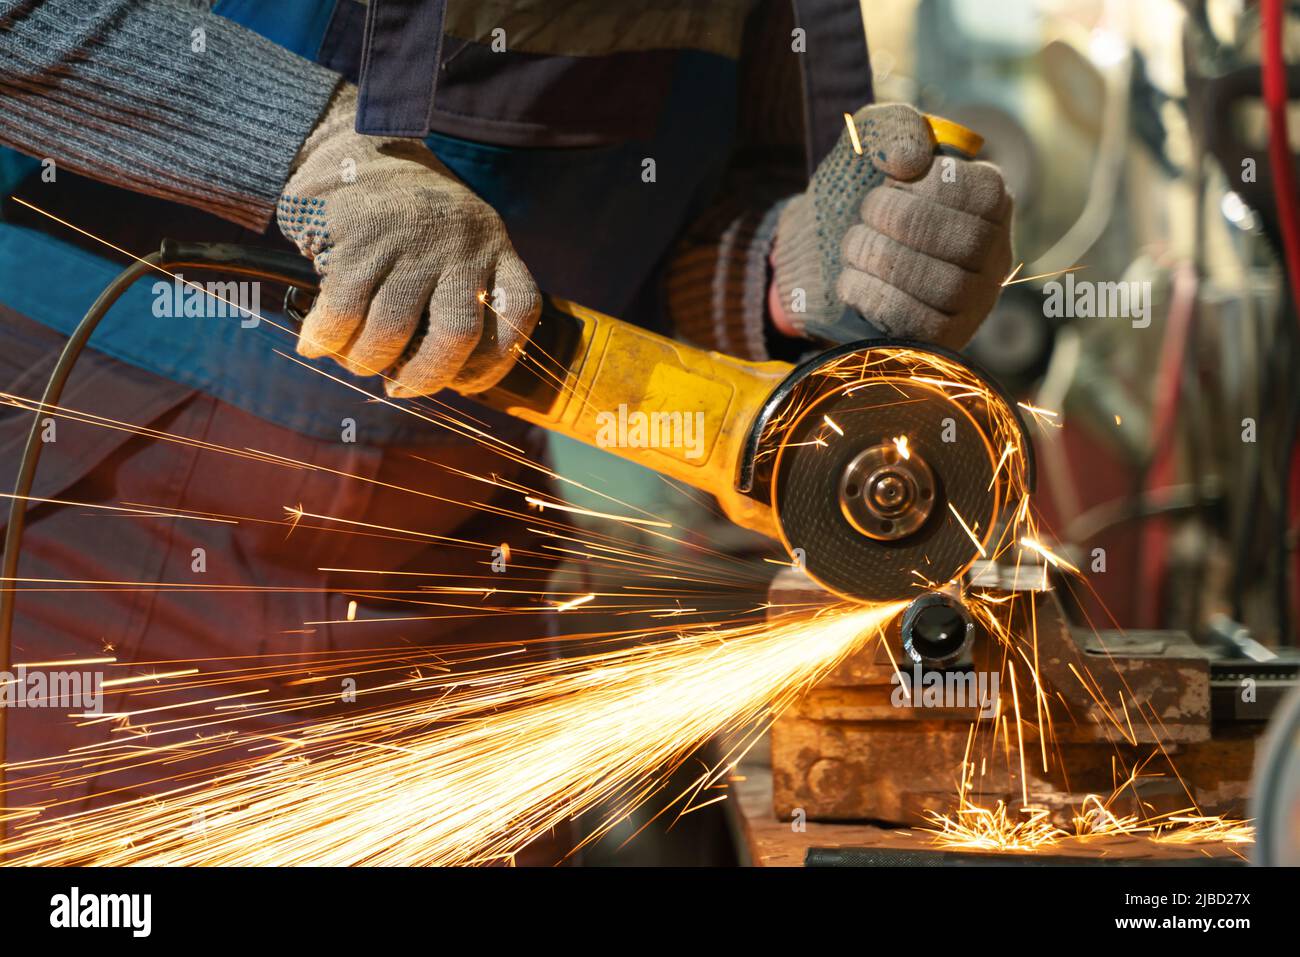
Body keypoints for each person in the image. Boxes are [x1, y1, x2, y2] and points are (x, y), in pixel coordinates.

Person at [0, 0, 1012, 811]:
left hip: (451, 571)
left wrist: (787, 277)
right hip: (87, 523)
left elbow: (683, 227)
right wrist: (318, 149)